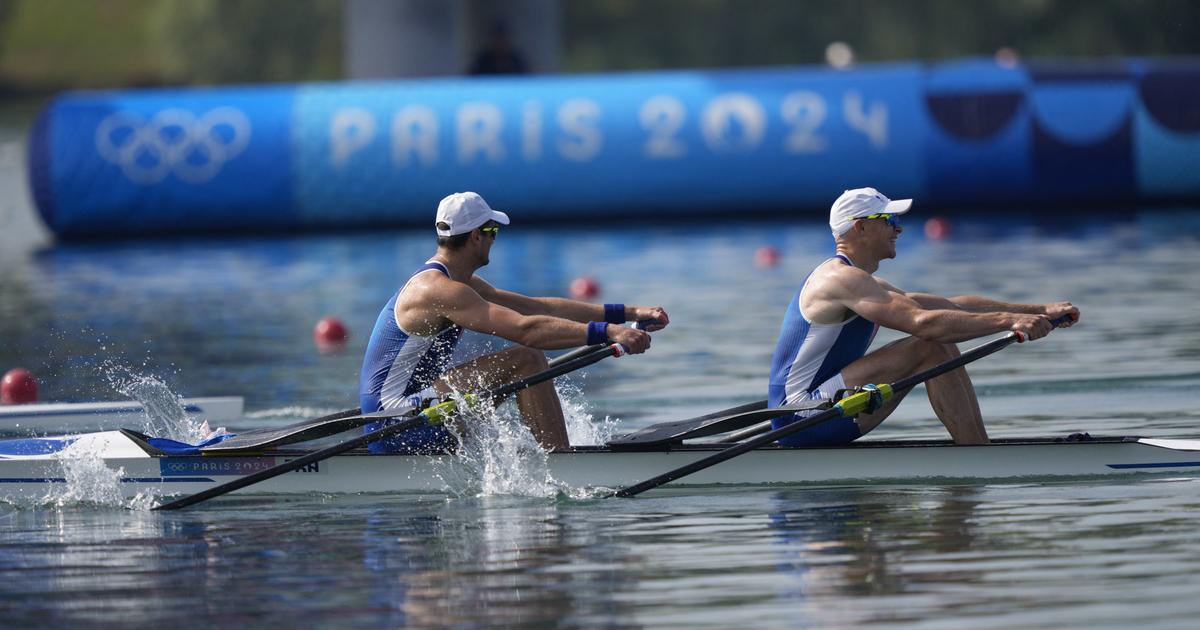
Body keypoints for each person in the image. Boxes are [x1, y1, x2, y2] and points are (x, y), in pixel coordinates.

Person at [359, 191, 669, 453]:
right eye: (492, 231)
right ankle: (562, 462)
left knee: (522, 362)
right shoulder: (437, 290)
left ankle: (553, 453)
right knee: (526, 359)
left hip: (415, 407)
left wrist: (630, 313)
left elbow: (536, 308)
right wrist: (609, 333)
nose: (495, 239)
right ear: (476, 237)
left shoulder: (461, 283)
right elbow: (527, 330)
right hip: (394, 424)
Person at [768, 187, 1079, 446]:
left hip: (824, 406)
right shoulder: (838, 280)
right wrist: (1006, 322)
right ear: (860, 228)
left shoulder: (863, 283)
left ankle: (978, 451)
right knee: (930, 345)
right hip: (801, 417)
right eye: (888, 219)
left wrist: (1038, 311)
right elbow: (924, 323)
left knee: (936, 340)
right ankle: (978, 457)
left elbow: (949, 307)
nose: (898, 228)